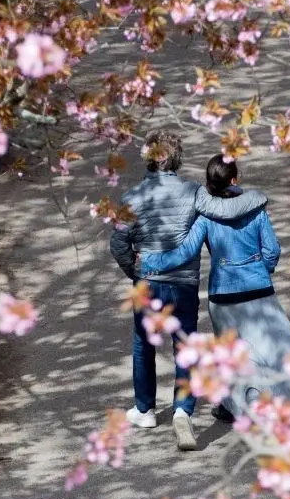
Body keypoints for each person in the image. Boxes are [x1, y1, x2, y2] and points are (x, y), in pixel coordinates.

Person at [139, 154, 290, 430]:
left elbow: (186, 252)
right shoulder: (257, 211)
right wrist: (262, 270)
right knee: (277, 350)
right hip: (259, 292)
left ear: (209, 184)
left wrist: (149, 262)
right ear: (235, 179)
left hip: (223, 298)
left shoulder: (205, 218)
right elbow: (272, 250)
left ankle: (236, 407)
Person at [109, 130, 269, 450]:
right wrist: (256, 198)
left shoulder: (131, 197)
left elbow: (118, 243)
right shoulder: (193, 192)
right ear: (177, 159)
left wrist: (135, 271)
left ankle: (145, 409)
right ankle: (183, 412)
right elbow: (224, 211)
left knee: (144, 344)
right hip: (184, 285)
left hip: (148, 282)